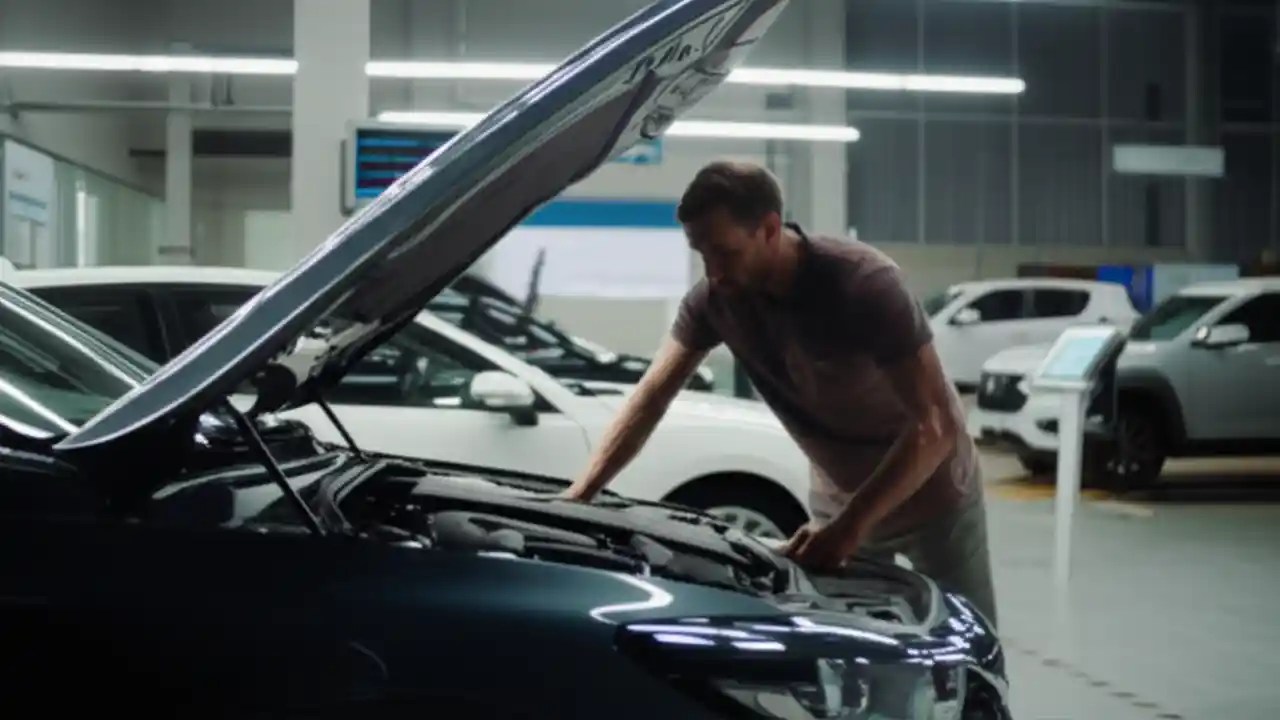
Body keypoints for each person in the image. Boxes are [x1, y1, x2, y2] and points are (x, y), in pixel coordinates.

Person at [562, 160, 997, 626]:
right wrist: (580, 494)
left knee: (968, 634)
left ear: (769, 229)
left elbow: (936, 424)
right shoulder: (714, 300)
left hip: (931, 495)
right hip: (839, 495)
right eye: (700, 252)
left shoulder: (862, 284)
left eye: (725, 252)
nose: (713, 272)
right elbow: (651, 397)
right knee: (859, 648)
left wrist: (849, 528)